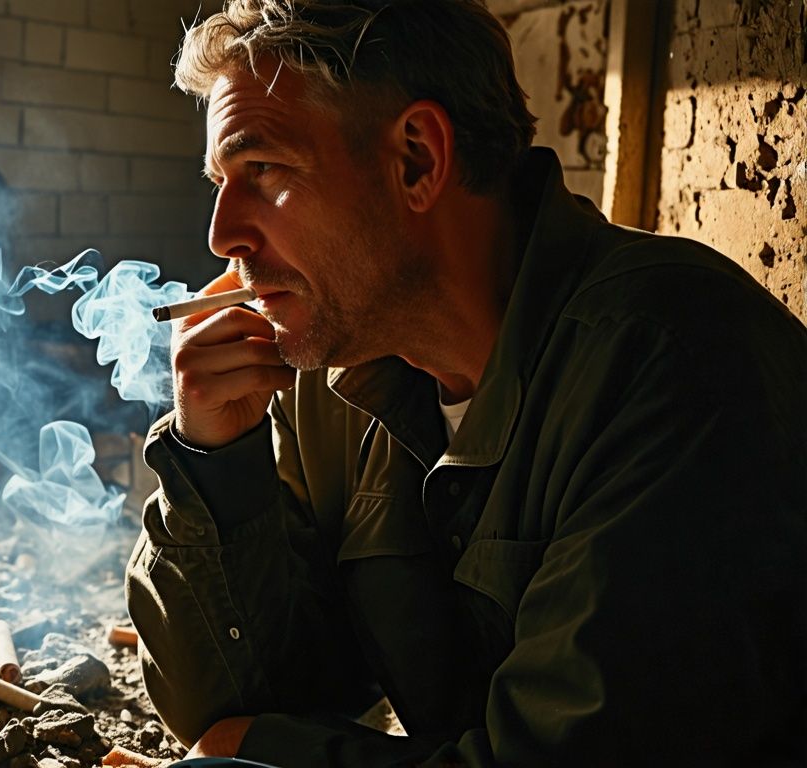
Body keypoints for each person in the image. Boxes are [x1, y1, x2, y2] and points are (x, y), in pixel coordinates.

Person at [125, 1, 807, 765]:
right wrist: (216, 457)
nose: (223, 233)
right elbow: (232, 704)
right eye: (222, 181)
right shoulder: (346, 378)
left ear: (417, 158)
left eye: (264, 170)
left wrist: (270, 756)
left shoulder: (671, 360)